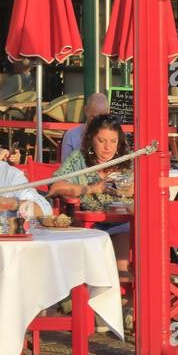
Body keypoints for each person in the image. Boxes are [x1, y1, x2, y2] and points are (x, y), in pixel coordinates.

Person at [49, 114, 133, 271]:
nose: (108, 147)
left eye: (113, 141)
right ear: (91, 139)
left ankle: (121, 281)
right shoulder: (79, 159)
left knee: (126, 233)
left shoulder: (128, 161)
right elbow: (55, 186)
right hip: (89, 223)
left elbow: (150, 185)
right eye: (101, 141)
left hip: (123, 222)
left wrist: (133, 189)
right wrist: (92, 189)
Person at [59, 93, 110, 162]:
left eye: (102, 118)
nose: (98, 122)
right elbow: (66, 168)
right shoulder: (71, 135)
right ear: (86, 111)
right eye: (94, 117)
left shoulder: (115, 136)